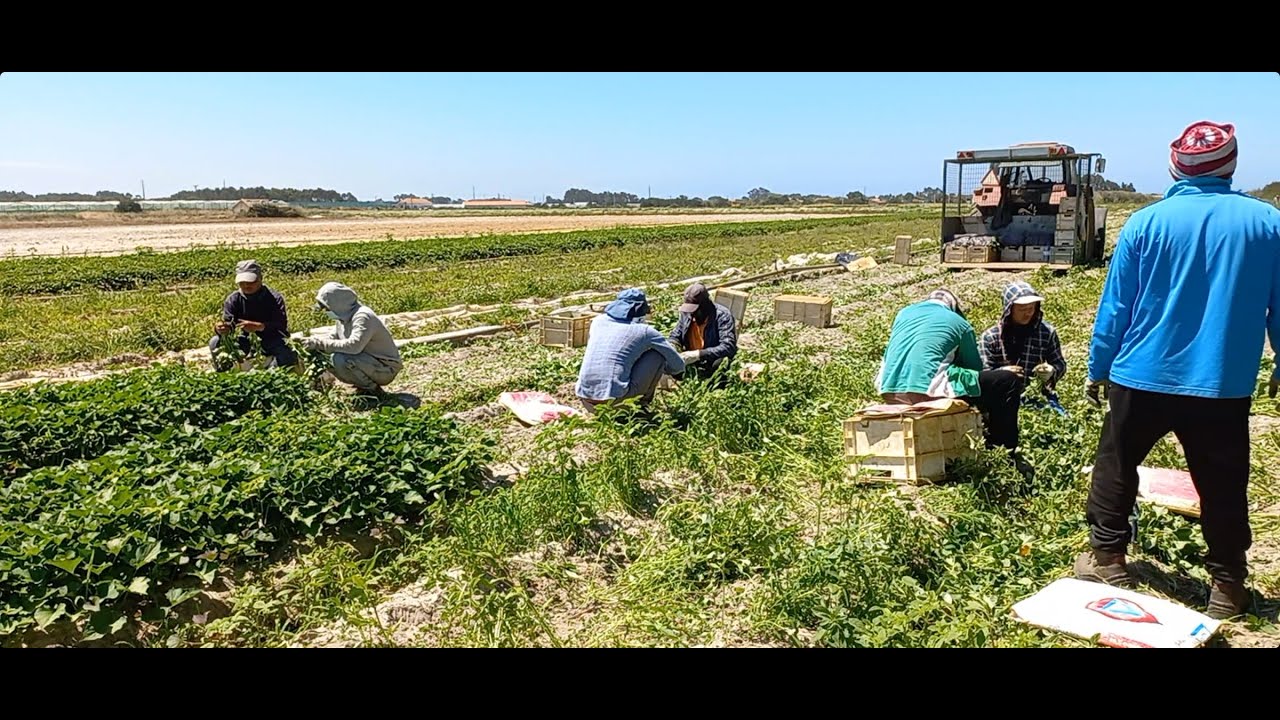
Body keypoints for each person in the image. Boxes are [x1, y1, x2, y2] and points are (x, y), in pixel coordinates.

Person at [1077, 120, 1280, 620]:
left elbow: (1115, 308)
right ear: (1231, 165)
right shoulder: (1267, 224)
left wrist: (1098, 367)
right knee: (1222, 483)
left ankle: (1107, 559)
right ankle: (1228, 589)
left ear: (1175, 166)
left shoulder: (1146, 224)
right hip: (1221, 382)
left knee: (1117, 467)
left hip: (1139, 373)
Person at [874, 288, 1022, 451]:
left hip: (888, 388)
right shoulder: (959, 323)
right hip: (928, 390)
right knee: (1007, 381)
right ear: (953, 306)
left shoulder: (903, 314)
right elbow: (973, 368)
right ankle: (1003, 449)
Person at [977, 280, 1068, 447]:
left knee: (1062, 429)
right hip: (1001, 403)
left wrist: (1052, 371)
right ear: (1009, 309)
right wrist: (1002, 373)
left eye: (1031, 309)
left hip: (1037, 397)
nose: (1028, 314)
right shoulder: (990, 337)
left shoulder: (1046, 333)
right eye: (1022, 310)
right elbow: (983, 374)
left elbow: (1060, 363)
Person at [576, 288, 686, 412]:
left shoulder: (597, 322)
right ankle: (640, 407)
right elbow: (678, 365)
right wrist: (673, 372)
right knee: (656, 355)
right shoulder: (644, 331)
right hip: (615, 403)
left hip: (586, 401)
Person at [302, 282, 403, 396]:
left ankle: (373, 390)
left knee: (340, 359)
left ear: (337, 303)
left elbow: (354, 346)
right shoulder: (343, 318)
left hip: (385, 368)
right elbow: (332, 337)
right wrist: (313, 343)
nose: (326, 312)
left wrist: (320, 343)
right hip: (369, 362)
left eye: (326, 308)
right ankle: (358, 385)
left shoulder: (362, 316)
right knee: (324, 355)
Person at [208, 259, 298, 371]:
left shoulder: (274, 298)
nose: (246, 285)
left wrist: (260, 327)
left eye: (251, 282)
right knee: (215, 342)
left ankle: (274, 377)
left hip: (271, 339)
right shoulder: (233, 299)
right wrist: (221, 329)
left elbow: (281, 326)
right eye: (242, 283)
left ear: (260, 279)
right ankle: (224, 376)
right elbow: (229, 324)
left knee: (288, 352)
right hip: (244, 340)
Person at [668, 283, 737, 382]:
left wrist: (699, 354)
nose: (692, 314)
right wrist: (673, 346)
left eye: (695, 310)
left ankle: (715, 385)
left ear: (705, 305)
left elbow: (728, 346)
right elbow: (675, 335)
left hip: (710, 359)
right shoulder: (687, 314)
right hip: (692, 361)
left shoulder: (722, 316)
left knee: (720, 363)